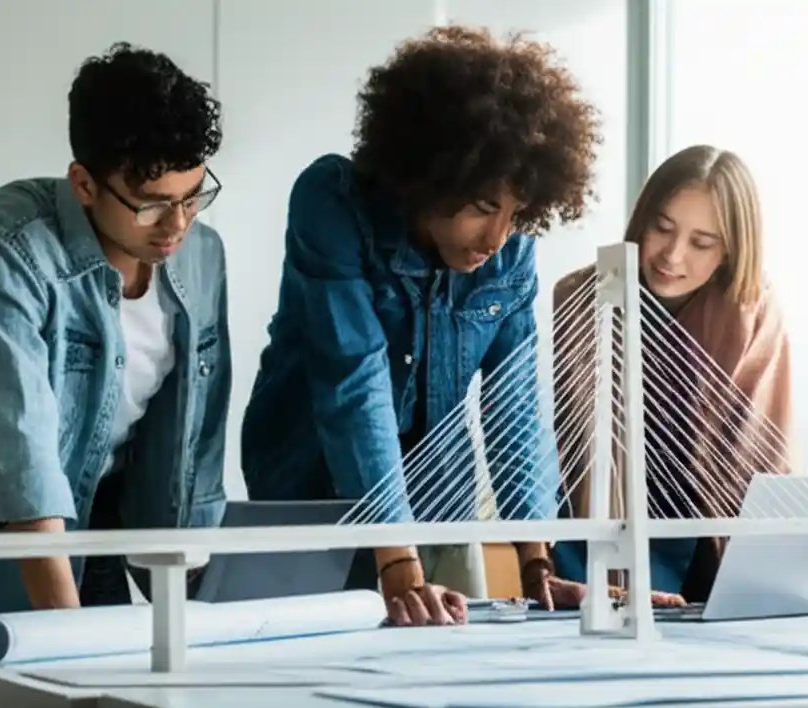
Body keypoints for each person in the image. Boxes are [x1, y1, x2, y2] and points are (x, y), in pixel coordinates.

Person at [240, 26, 601, 626]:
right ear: (429, 178)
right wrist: (398, 561)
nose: (499, 237)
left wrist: (538, 560)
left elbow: (514, 404)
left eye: (517, 212)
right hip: (306, 488)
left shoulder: (511, 252)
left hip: (439, 493)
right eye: (485, 207)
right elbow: (352, 385)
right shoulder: (331, 202)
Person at [0, 43, 230, 615]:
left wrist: (200, 603)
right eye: (152, 205)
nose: (178, 225)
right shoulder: (11, 241)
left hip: (96, 531)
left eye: (193, 197)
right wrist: (67, 631)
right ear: (83, 184)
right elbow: (20, 449)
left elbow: (196, 441)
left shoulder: (202, 254)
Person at [551, 145, 808, 608]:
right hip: (601, 535)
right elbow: (583, 451)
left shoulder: (752, 308)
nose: (672, 256)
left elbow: (764, 452)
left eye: (701, 243)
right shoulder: (583, 297)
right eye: (662, 227)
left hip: (715, 538)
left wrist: (794, 567)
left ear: (730, 250)